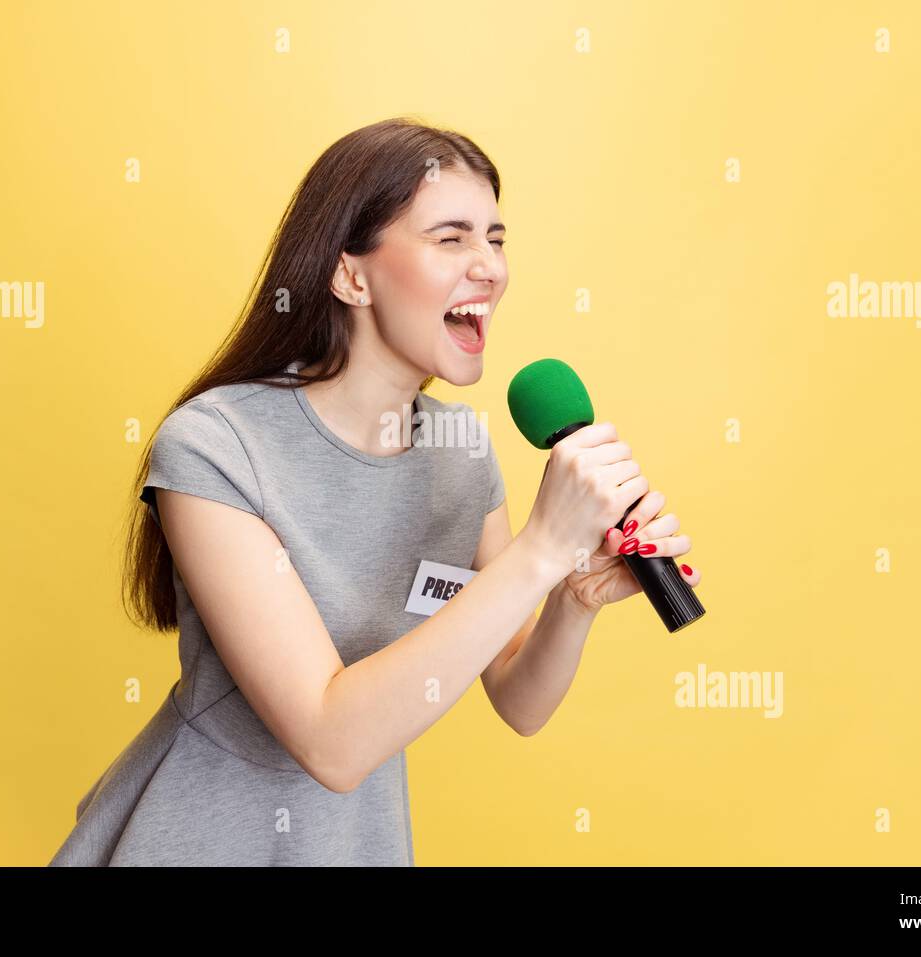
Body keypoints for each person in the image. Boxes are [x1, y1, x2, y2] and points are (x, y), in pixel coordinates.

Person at [48, 116, 698, 866]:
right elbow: (330, 740)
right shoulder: (215, 445)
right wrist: (542, 549)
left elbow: (519, 698)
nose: (489, 267)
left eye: (495, 239)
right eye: (451, 238)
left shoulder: (459, 455)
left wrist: (572, 598)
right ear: (351, 276)